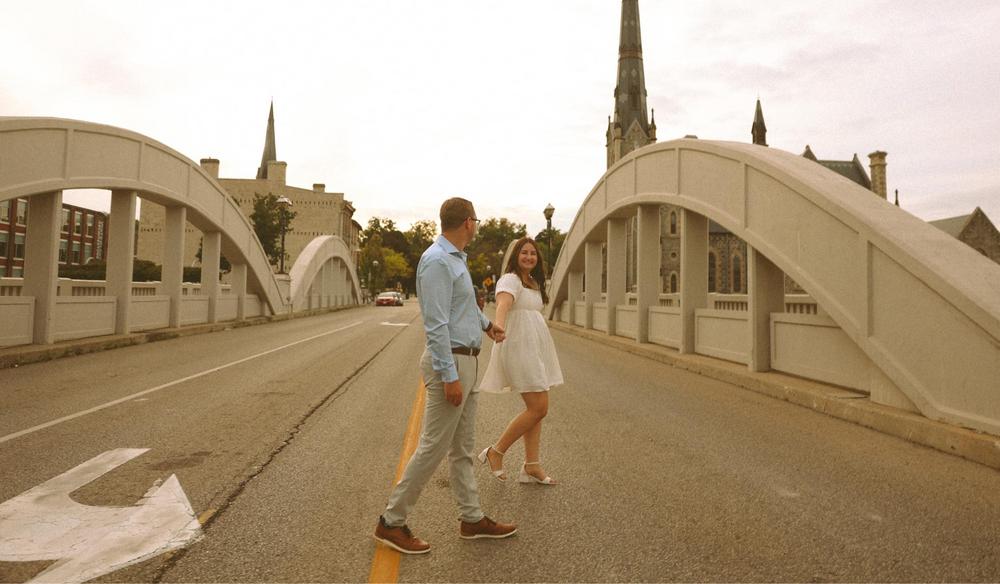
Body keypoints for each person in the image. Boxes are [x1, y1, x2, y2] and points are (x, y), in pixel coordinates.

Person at [374, 197, 517, 555]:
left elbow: (461, 307)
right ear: (468, 222)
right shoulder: (437, 260)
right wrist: (449, 376)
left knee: (462, 449)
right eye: (476, 221)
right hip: (451, 361)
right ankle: (391, 522)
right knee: (433, 447)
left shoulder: (455, 259)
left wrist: (487, 325)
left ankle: (472, 518)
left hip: (467, 359)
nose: (477, 226)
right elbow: (436, 323)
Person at [478, 237, 564, 485]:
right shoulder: (510, 280)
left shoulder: (534, 282)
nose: (529, 257)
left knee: (535, 410)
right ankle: (496, 451)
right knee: (539, 407)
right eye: (524, 252)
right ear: (515, 255)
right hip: (519, 346)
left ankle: (532, 465)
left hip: (534, 347)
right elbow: (503, 305)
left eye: (533, 253)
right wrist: (498, 327)